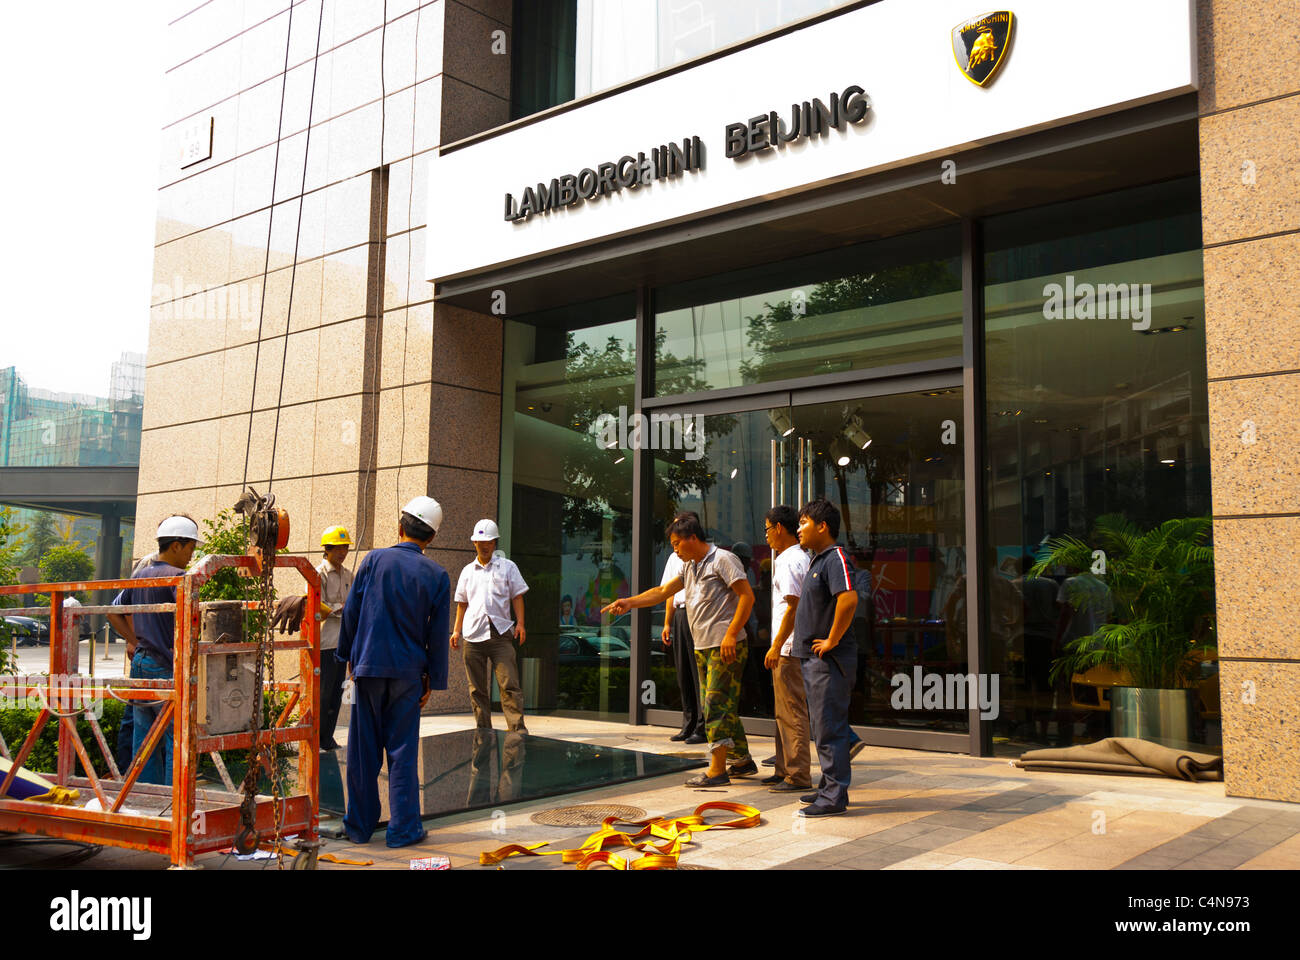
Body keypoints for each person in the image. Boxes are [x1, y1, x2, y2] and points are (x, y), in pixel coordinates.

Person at [603, 513, 756, 786]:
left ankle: (718, 770)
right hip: (702, 646)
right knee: (719, 706)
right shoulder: (690, 566)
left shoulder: (723, 559)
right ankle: (742, 761)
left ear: (692, 538)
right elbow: (662, 592)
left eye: (676, 543)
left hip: (725, 646)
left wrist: (732, 634)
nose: (674, 549)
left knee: (715, 707)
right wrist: (629, 602)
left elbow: (747, 595)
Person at [336, 496, 450, 847]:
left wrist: (347, 656)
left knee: (362, 749)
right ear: (431, 538)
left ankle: (359, 827)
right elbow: (437, 634)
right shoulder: (437, 575)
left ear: (400, 527)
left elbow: (351, 612)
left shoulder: (373, 560)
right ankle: (403, 830)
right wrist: (433, 679)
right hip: (408, 673)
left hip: (368, 667)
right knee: (402, 752)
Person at [106, 515, 200, 786]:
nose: (191, 556)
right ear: (176, 546)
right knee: (175, 737)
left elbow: (113, 612)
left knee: (143, 736)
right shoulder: (180, 578)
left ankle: (146, 794)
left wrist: (134, 640)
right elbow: (191, 621)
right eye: (190, 549)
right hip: (166, 665)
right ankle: (173, 800)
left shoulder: (141, 575)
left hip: (141, 664)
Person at [792, 498, 858, 817]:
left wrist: (832, 639)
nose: (798, 529)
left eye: (804, 522)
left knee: (829, 726)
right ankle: (827, 786)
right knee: (822, 725)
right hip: (812, 659)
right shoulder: (817, 560)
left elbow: (848, 599)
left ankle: (834, 797)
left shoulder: (835, 557)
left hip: (828, 661)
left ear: (823, 526)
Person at [450, 519, 529, 734]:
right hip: (473, 634)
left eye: (489, 542)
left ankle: (517, 730)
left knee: (509, 683)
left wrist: (520, 623)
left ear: (495, 543)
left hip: (500, 633)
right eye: (480, 541)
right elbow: (462, 604)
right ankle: (483, 730)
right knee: (476, 688)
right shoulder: (467, 571)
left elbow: (518, 596)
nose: (484, 546)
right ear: (474, 543)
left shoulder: (507, 567)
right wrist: (456, 630)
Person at [761, 505, 812, 792]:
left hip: (789, 648)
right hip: (787, 646)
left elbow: (793, 607)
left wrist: (777, 645)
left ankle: (797, 774)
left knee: (791, 712)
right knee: (783, 711)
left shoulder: (790, 559)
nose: (766, 535)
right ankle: (784, 770)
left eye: (767, 529)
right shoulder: (792, 558)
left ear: (779, 528)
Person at [659, 513, 704, 743]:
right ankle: (688, 723)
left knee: (698, 672)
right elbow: (667, 592)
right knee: (683, 671)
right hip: (679, 613)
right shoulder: (674, 558)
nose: (675, 545)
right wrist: (667, 622)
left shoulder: (701, 557)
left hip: (697, 613)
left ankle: (702, 725)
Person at [316, 526, 354, 751]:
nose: (342, 553)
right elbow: (316, 605)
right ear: (327, 549)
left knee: (336, 693)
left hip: (342, 642)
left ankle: (328, 737)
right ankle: (317, 737)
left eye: (345, 548)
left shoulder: (349, 575)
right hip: (324, 643)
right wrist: (339, 608)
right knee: (322, 692)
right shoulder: (318, 573)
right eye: (338, 548)